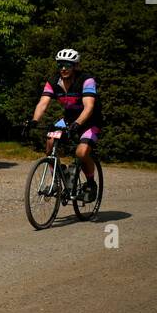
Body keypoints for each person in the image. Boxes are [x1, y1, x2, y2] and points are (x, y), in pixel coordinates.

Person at [23, 48, 101, 201]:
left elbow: (89, 107)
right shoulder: (53, 82)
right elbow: (43, 103)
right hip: (69, 119)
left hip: (90, 121)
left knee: (81, 152)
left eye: (68, 65)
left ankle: (91, 183)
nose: (63, 68)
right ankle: (58, 180)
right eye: (60, 65)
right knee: (50, 142)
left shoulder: (86, 80)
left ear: (76, 66)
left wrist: (78, 123)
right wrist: (34, 120)